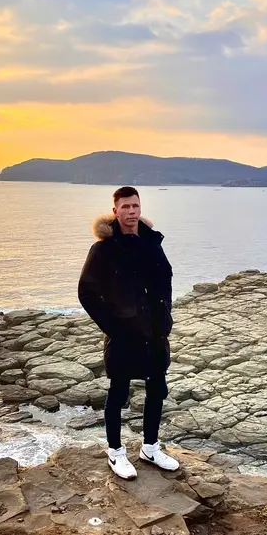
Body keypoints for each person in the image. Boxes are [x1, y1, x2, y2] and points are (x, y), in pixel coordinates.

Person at [78, 186, 179, 480]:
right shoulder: (103, 249)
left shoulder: (152, 243)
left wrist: (166, 315)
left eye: (135, 206)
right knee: (118, 392)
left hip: (156, 331)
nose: (131, 211)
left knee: (157, 389)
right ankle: (115, 452)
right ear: (115, 211)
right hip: (123, 334)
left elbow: (165, 281)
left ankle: (150, 448)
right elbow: (86, 292)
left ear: (140, 208)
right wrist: (113, 328)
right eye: (125, 207)